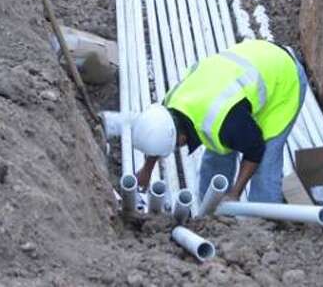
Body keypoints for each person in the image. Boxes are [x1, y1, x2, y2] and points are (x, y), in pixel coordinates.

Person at [130, 39, 308, 208]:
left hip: (283, 80)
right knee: (217, 154)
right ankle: (210, 213)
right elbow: (158, 135)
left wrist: (235, 192)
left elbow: (255, 149)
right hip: (255, 59)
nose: (178, 148)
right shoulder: (171, 104)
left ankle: (263, 224)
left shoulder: (226, 122)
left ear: (182, 138)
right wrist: (147, 170)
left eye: (176, 146)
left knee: (265, 165)